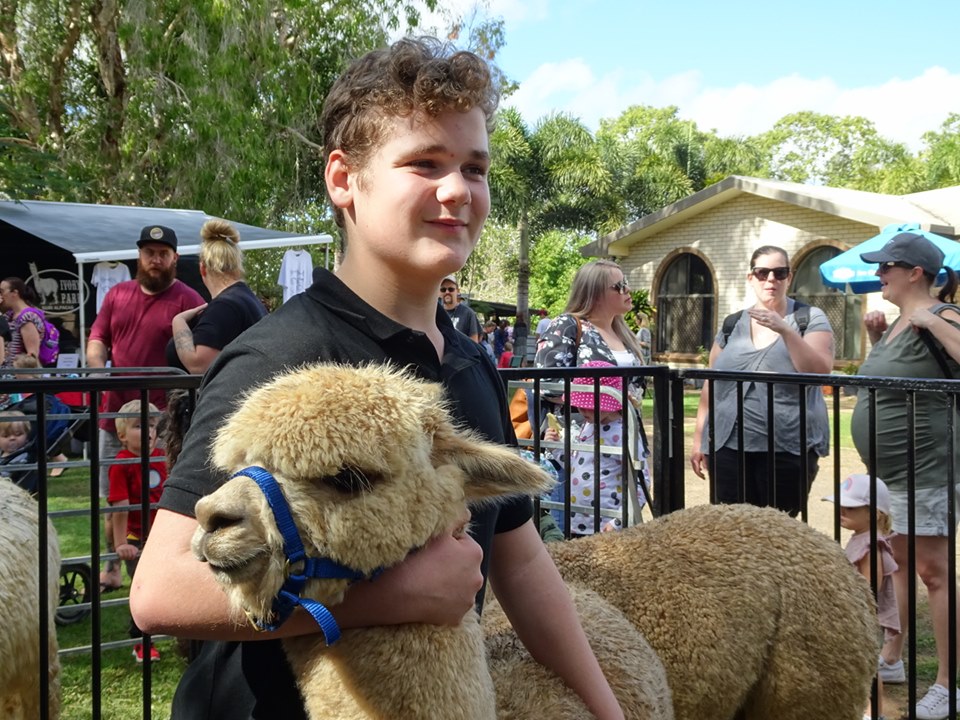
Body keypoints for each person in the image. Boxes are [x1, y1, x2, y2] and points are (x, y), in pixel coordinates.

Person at [130, 37, 624, 720]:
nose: (457, 190)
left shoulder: (471, 363)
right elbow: (160, 591)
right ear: (343, 179)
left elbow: (521, 562)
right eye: (424, 162)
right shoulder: (282, 356)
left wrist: (609, 709)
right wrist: (393, 597)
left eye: (474, 168)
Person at [851, 231, 960, 720]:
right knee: (895, 564)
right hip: (890, 472)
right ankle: (892, 660)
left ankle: (947, 683)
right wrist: (879, 339)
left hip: (927, 468)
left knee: (934, 574)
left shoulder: (941, 315)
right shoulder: (899, 322)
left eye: (886, 266)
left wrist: (929, 323)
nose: (879, 275)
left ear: (915, 272)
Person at [87, 224, 204, 592]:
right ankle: (113, 564)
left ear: (174, 258)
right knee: (116, 496)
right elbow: (97, 338)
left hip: (166, 422)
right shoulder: (117, 295)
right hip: (116, 417)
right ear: (139, 257)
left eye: (163, 253)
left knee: (165, 497)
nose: (156, 259)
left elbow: (200, 353)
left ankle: (164, 568)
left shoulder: (188, 300)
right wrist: (95, 373)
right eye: (149, 252)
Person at [689, 245, 834, 517]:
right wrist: (699, 441)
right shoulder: (732, 324)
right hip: (729, 446)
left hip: (787, 447)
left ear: (789, 278)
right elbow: (711, 383)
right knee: (731, 530)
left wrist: (784, 329)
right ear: (751, 278)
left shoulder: (809, 318)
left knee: (776, 534)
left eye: (779, 273)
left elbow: (818, 372)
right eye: (762, 272)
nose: (771, 280)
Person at [822, 473, 899, 720]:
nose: (842, 510)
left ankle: (874, 713)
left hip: (866, 617)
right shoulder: (861, 538)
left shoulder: (871, 545)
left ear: (875, 513)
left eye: (851, 507)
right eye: (841, 505)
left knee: (868, 668)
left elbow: (870, 586)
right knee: (860, 666)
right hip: (856, 615)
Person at [544, 360, 648, 535]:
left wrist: (619, 521)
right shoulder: (590, 424)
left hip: (608, 524)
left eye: (591, 406)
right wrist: (555, 448)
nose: (584, 412)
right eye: (581, 405)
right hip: (579, 521)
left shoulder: (624, 432)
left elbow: (641, 481)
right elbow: (577, 464)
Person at [167, 219, 268, 374]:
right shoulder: (245, 299)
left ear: (202, 268)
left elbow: (198, 365)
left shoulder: (225, 307)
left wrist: (178, 321)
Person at [108, 399, 165, 663]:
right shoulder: (122, 464)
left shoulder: (161, 457)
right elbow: (119, 507)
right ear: (121, 435)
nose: (149, 432)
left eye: (152, 425)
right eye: (139, 426)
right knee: (142, 589)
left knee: (163, 586)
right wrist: (121, 543)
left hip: (161, 535)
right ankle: (141, 642)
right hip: (136, 539)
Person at [0, 277, 44, 367]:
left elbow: (32, 354)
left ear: (14, 293)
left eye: (2, 291)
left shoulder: (28, 317)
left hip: (18, 375)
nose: (1, 296)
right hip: (6, 373)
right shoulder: (8, 315)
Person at [0, 410, 35, 492]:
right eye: (6, 436)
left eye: (18, 434)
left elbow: (6, 476)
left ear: (27, 435)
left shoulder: (22, 457)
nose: (12, 438)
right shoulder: (2, 452)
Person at [438, 274, 481, 341]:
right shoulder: (435, 313)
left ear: (457, 291)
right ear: (439, 293)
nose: (447, 292)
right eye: (443, 289)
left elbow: (474, 341)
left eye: (451, 289)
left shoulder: (468, 313)